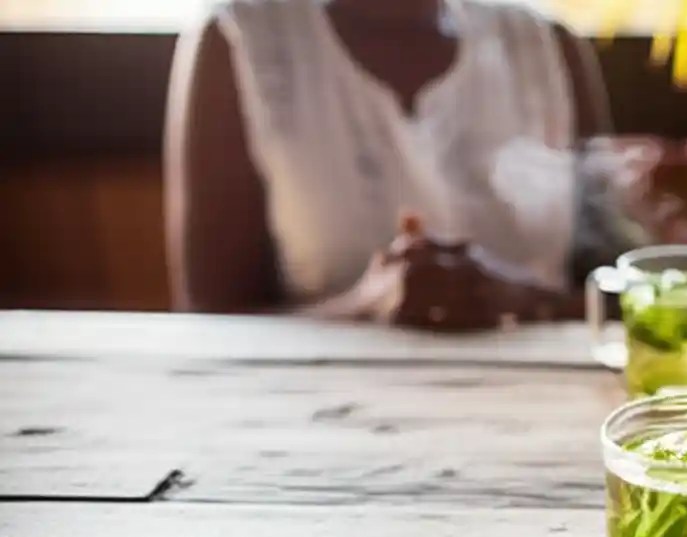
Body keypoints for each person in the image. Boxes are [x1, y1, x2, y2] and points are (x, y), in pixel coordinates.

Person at [164, 0, 615, 329]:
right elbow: (212, 327)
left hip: (540, 413)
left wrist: (518, 298)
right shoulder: (244, 43)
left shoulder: (546, 48)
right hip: (322, 427)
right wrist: (364, 305)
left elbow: (627, 295)